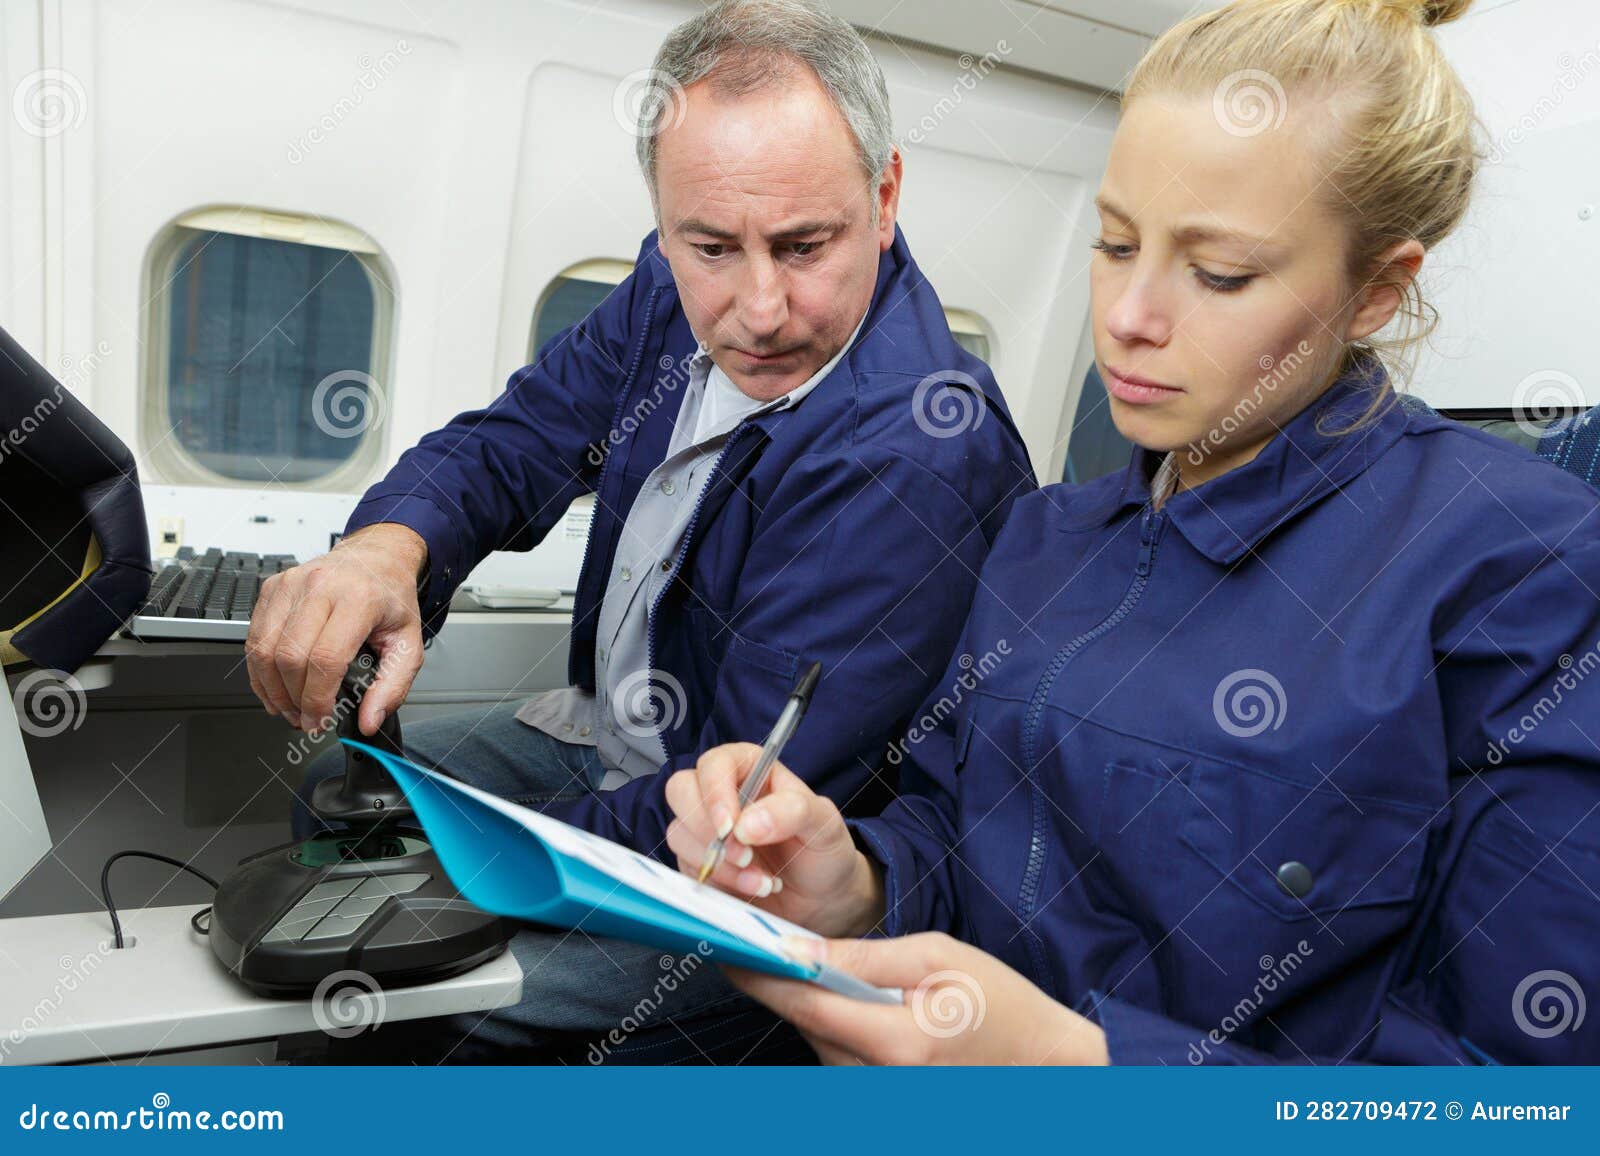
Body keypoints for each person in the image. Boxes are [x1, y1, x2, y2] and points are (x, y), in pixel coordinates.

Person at [665, 0, 1600, 1065]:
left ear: (1375, 291)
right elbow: (952, 838)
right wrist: (854, 883)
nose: (1128, 314)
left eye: (1218, 274)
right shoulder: (1044, 536)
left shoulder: (1524, 567)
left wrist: (1076, 1072)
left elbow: (1527, 1105)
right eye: (1114, 243)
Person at [251, 0, 1034, 1061]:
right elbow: (517, 439)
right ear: (667, 221)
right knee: (341, 810)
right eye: (710, 243)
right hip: (623, 748)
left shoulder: (916, 450)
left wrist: (462, 862)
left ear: (884, 196)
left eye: (805, 245)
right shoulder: (668, 290)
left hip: (739, 860)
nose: (758, 307)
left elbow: (740, 801)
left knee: (422, 990)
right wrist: (387, 546)